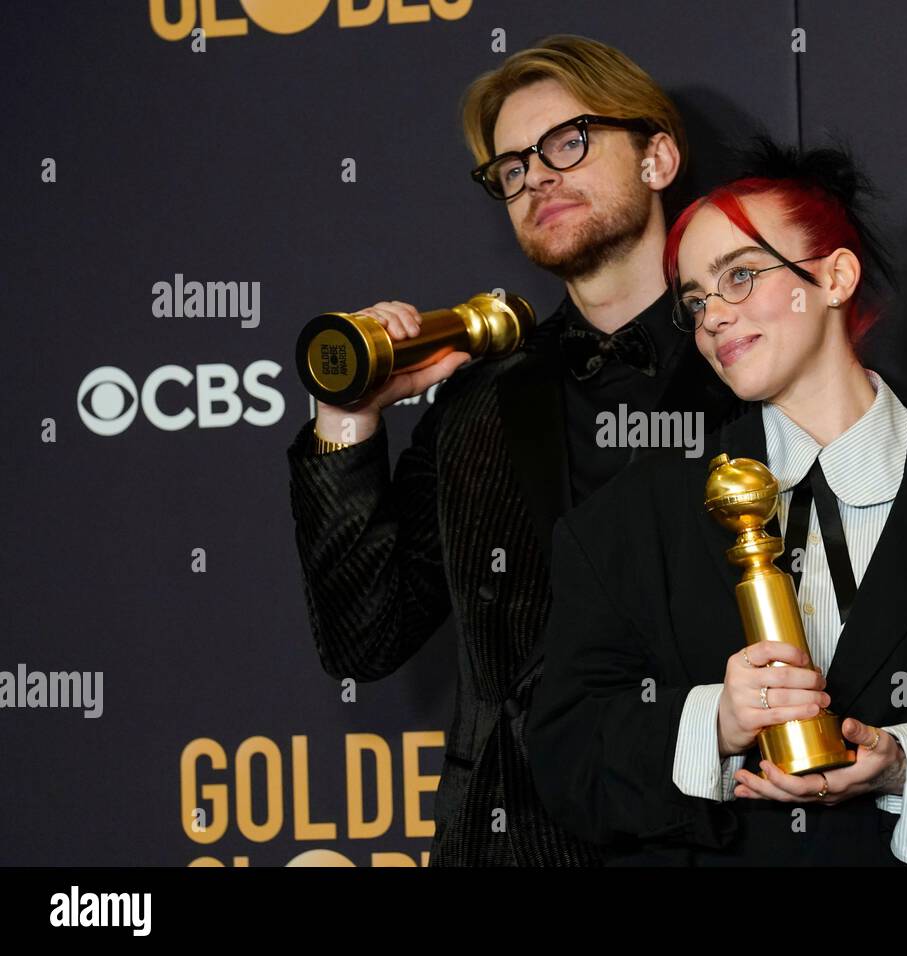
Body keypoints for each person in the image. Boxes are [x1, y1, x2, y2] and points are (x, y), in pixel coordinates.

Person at [528, 137, 907, 865]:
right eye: (694, 301)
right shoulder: (626, 524)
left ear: (834, 278)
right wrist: (713, 724)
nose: (713, 318)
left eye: (741, 276)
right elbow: (564, 756)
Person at [285, 35, 740, 866]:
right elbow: (365, 638)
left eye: (567, 143)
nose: (537, 178)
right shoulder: (480, 398)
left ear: (658, 157)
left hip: (721, 833)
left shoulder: (757, 367)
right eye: (513, 168)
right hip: (511, 839)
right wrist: (348, 421)